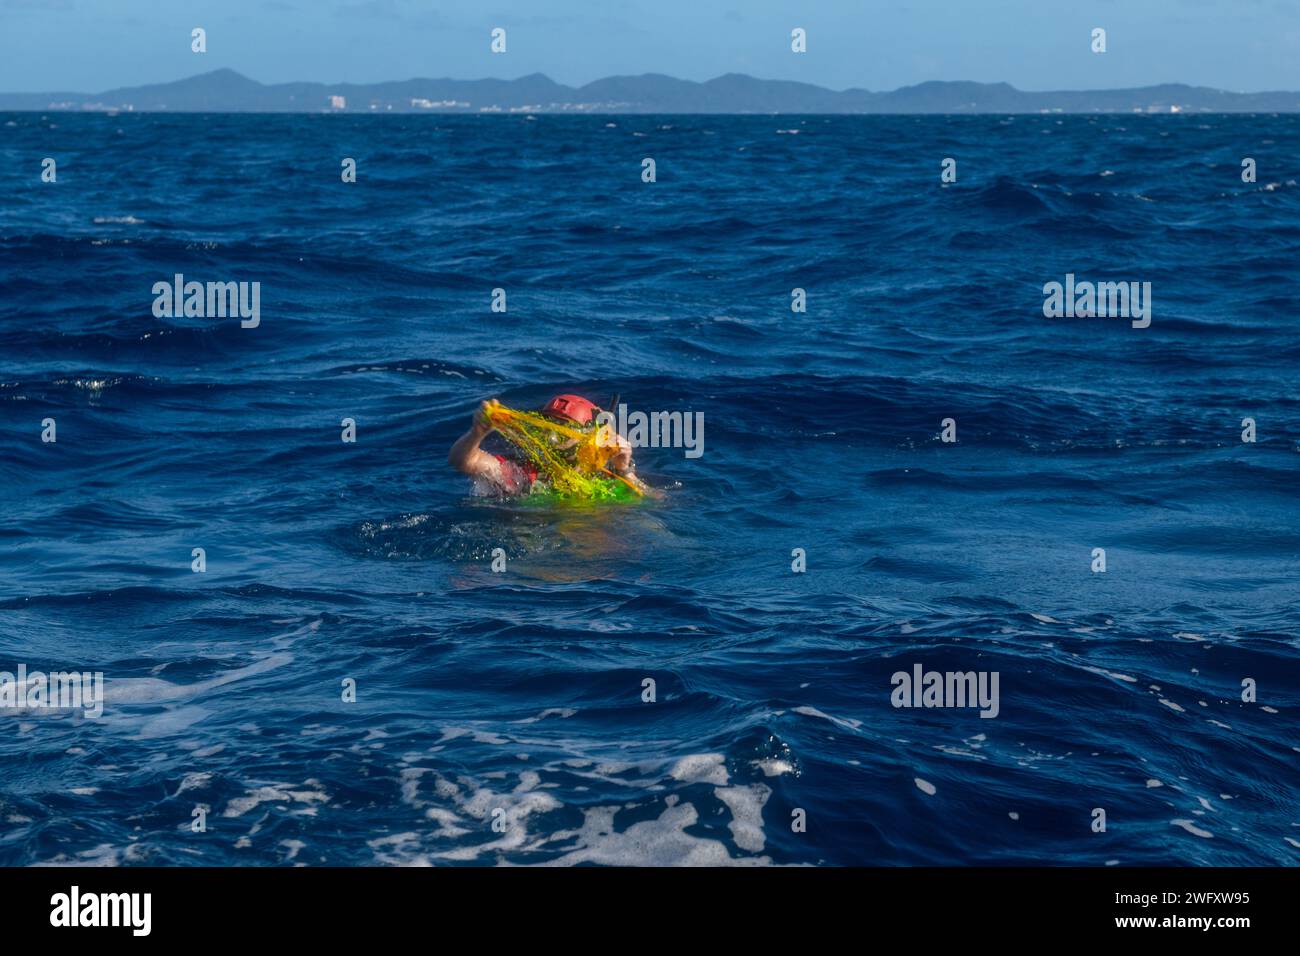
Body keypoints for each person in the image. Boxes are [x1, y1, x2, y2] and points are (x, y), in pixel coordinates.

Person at [448, 393, 648, 496]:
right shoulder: (526, 475)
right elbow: (462, 461)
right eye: (547, 429)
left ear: (589, 437)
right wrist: (477, 433)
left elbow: (653, 502)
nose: (551, 439)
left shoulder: (607, 478)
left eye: (561, 432)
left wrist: (625, 469)